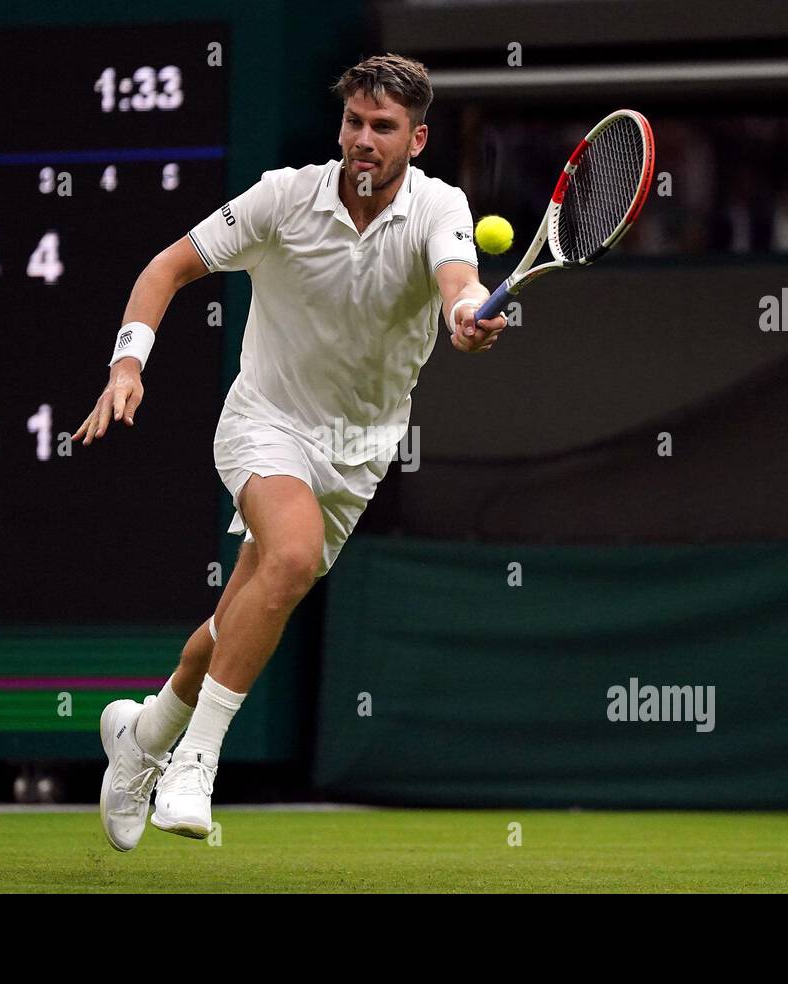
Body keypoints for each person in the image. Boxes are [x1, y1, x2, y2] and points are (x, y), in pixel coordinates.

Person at [73, 53, 506, 850]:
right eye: (354, 122)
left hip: (358, 451)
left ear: (416, 139)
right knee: (293, 556)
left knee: (242, 609)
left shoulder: (441, 207)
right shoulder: (281, 197)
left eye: (383, 127)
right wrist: (127, 363)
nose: (364, 140)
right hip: (265, 421)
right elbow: (165, 268)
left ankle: (141, 739)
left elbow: (458, 283)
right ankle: (195, 763)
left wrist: (468, 315)